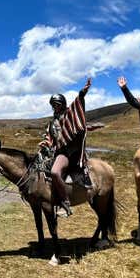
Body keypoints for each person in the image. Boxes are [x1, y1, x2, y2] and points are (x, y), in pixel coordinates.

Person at [42, 77, 92, 218]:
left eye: (58, 104)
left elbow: (78, 105)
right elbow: (51, 137)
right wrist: (46, 144)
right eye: (54, 105)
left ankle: (65, 202)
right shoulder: (53, 121)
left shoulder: (70, 115)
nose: (56, 107)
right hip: (57, 151)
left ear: (63, 104)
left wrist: (82, 93)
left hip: (69, 153)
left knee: (55, 172)